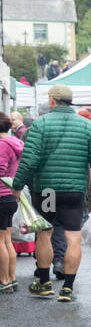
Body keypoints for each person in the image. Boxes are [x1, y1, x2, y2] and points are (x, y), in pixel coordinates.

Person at [8, 85, 91, 302]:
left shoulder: (40, 125)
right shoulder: (87, 127)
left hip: (46, 190)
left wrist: (17, 185)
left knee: (44, 233)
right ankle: (68, 288)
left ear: (52, 101)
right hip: (74, 190)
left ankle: (44, 283)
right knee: (73, 236)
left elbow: (29, 161)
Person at [0, 113, 25, 293]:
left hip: (1, 196)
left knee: (1, 241)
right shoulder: (15, 143)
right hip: (10, 196)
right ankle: (12, 278)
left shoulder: (2, 146)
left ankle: (4, 280)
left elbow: (0, 171)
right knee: (7, 240)